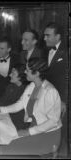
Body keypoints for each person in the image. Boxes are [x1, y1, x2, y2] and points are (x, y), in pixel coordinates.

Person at [0, 58, 62, 138]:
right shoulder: (31, 86)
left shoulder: (50, 91)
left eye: (27, 70)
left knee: (5, 143)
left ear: (36, 73)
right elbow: (19, 105)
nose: (24, 72)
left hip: (47, 134)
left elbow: (53, 122)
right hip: (33, 129)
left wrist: (28, 132)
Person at [44, 22, 68, 156]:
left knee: (61, 133)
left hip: (61, 99)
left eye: (48, 35)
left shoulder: (66, 51)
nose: (44, 38)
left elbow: (67, 78)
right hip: (50, 96)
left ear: (58, 36)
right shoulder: (46, 51)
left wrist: (64, 100)